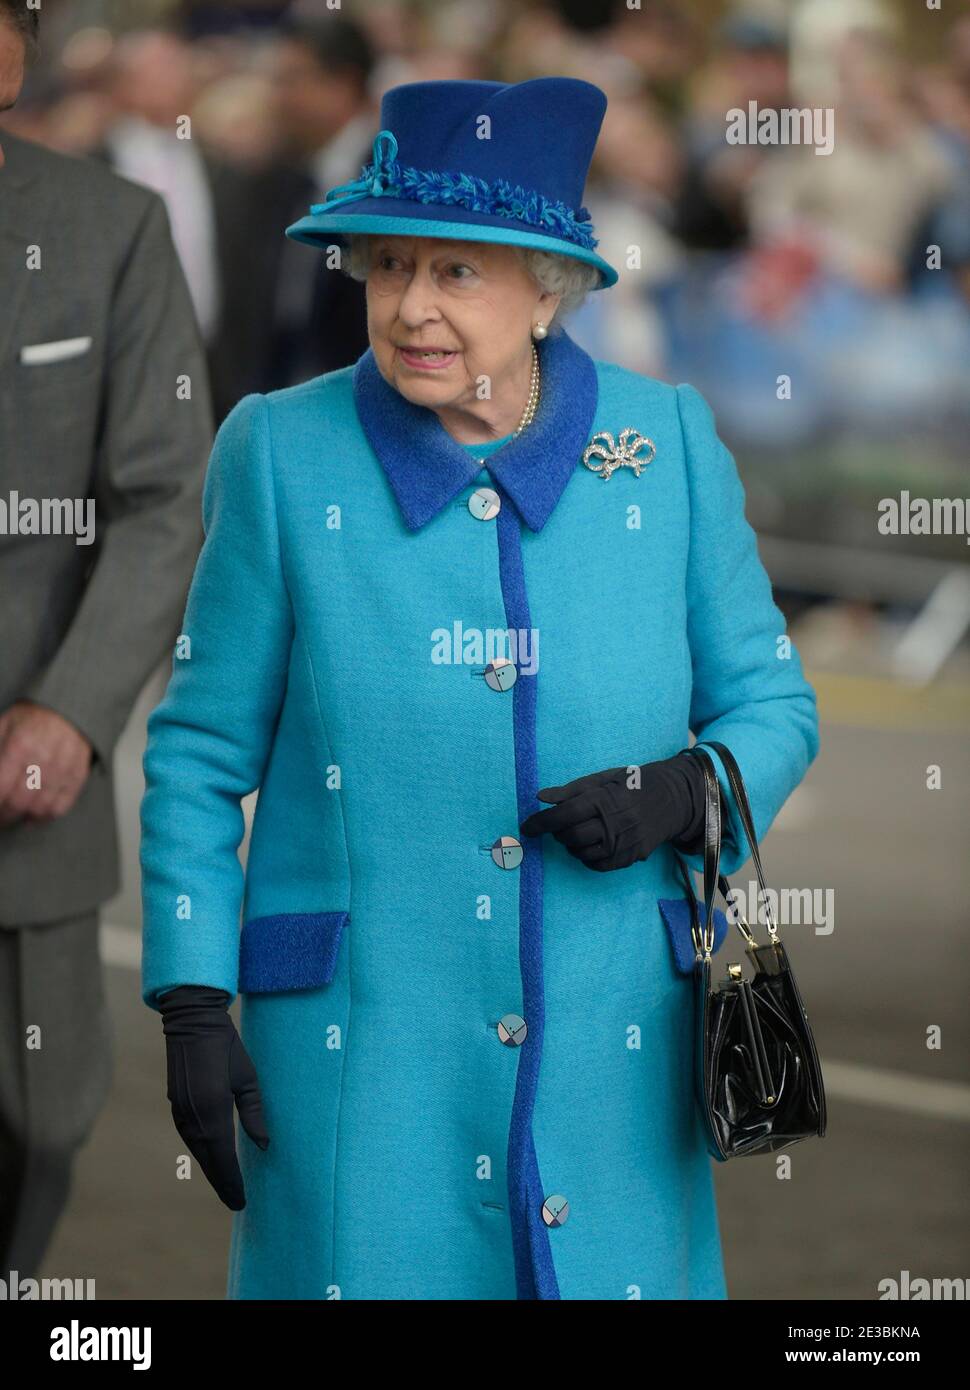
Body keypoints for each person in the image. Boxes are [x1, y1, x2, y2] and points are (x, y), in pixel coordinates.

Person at [140, 76, 819, 1301]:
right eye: (388, 264)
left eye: (457, 272)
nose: (408, 307)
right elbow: (198, 754)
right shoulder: (282, 452)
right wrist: (191, 994)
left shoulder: (664, 446)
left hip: (615, 1055)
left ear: (548, 287)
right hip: (361, 1054)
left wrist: (683, 793)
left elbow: (774, 704)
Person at [0, 0, 213, 1278]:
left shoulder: (108, 228)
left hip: (26, 789)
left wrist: (74, 709)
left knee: (36, 1126)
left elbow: (165, 495)